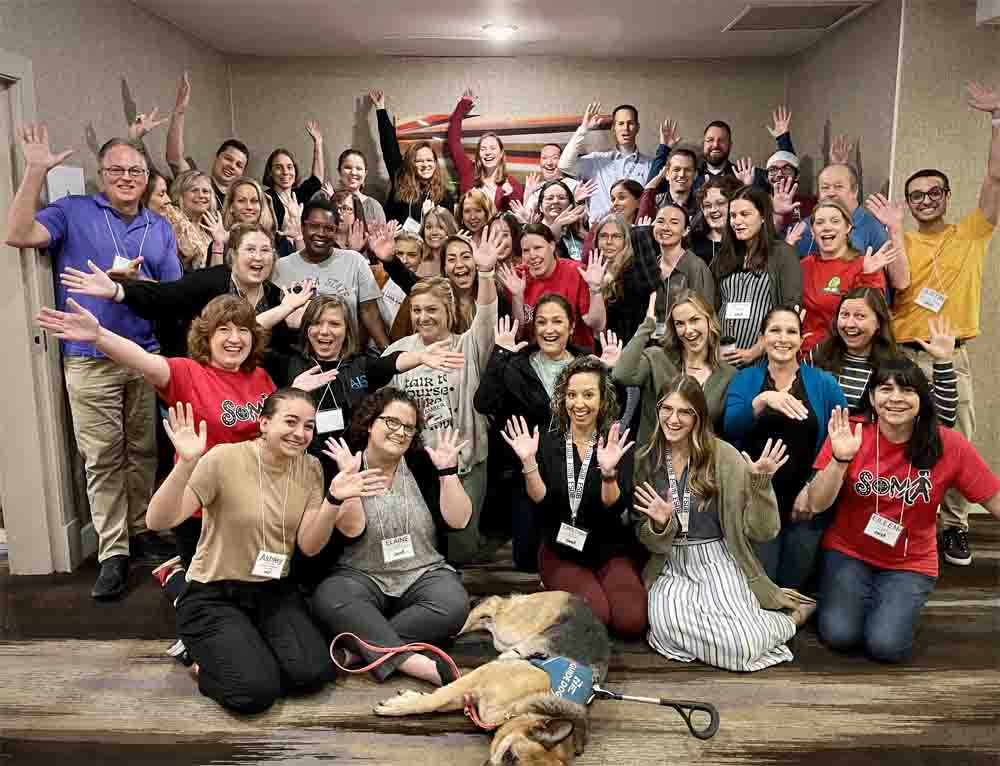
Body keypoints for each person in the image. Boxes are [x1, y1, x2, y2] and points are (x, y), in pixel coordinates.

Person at [5, 127, 183, 600]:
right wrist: (34, 171)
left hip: (143, 355)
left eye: (136, 171)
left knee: (142, 451)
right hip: (90, 359)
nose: (127, 177)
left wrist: (132, 285)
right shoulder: (74, 212)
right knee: (103, 458)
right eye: (117, 170)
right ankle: (113, 551)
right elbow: (18, 234)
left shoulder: (158, 227)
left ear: (147, 177)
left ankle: (142, 530)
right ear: (102, 174)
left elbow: (171, 294)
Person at [145, 389, 386, 712]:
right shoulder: (223, 459)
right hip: (215, 593)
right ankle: (201, 661)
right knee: (254, 693)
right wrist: (186, 464)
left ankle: (243, 650)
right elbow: (158, 520)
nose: (300, 433)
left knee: (313, 675)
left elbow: (309, 545)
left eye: (309, 426)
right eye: (291, 422)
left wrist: (333, 501)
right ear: (264, 423)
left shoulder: (310, 467)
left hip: (273, 591)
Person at [808, 361, 1000, 663]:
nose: (895, 398)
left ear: (922, 398)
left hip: (910, 560)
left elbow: (994, 498)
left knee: (886, 645)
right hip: (849, 551)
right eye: (885, 389)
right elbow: (816, 504)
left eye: (907, 390)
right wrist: (840, 460)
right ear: (872, 398)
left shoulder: (949, 444)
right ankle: (859, 597)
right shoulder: (851, 433)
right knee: (839, 635)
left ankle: (889, 599)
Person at [888, 81, 1000, 567]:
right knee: (902, 441)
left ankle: (954, 525)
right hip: (905, 355)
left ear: (947, 196)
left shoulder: (971, 233)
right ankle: (906, 520)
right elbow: (897, 282)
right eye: (917, 195)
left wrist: (997, 119)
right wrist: (893, 229)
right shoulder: (901, 240)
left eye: (934, 192)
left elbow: (995, 179)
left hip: (951, 355)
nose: (926, 200)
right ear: (909, 203)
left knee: (958, 441)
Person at [636, 375, 815, 672]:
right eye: (667, 409)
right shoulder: (645, 460)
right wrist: (659, 526)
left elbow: (763, 531)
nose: (673, 419)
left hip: (717, 559)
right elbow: (645, 538)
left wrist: (760, 485)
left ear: (698, 417)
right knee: (665, 626)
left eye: (684, 412)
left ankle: (792, 619)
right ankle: (732, 636)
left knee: (742, 646)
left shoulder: (724, 456)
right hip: (670, 563)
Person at [308, 388, 472, 685]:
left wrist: (448, 472)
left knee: (454, 604)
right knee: (330, 597)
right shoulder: (343, 465)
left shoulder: (423, 464)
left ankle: (360, 650)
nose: (400, 432)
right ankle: (415, 663)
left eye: (409, 427)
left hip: (423, 574)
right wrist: (350, 481)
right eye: (392, 422)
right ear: (370, 423)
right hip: (361, 577)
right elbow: (351, 529)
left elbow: (459, 521)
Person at [501, 356, 647, 638]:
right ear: (562, 398)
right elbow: (541, 501)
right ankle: (558, 587)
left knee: (631, 622)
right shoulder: (547, 442)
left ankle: (584, 590)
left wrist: (608, 473)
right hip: (561, 550)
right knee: (596, 616)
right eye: (572, 395)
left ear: (603, 399)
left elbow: (615, 506)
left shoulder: (614, 443)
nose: (579, 404)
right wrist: (528, 462)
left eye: (588, 395)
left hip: (608, 549)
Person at [382, 230, 501, 563]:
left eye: (432, 309)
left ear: (448, 311)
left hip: (464, 463)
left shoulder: (468, 346)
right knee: (420, 545)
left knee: (462, 549)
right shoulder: (398, 352)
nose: (423, 317)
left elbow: (487, 318)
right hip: (413, 466)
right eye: (417, 310)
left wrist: (486, 273)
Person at [475, 301, 618, 570]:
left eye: (557, 321)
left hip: (580, 467)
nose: (548, 329)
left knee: (588, 553)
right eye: (541, 322)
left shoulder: (589, 363)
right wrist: (500, 354)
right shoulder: (516, 363)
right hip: (530, 468)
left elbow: (613, 410)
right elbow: (484, 403)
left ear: (571, 327)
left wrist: (611, 372)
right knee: (527, 560)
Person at [267, 294, 465, 485]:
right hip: (299, 467)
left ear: (347, 330)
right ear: (307, 328)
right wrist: (294, 391)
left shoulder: (361, 365)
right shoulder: (286, 363)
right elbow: (252, 334)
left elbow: (392, 362)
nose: (324, 331)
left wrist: (419, 357)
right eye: (317, 323)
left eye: (334, 324)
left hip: (355, 469)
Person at [724, 306, 847, 591]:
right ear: (763, 338)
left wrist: (813, 487)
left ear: (802, 339)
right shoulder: (745, 379)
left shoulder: (824, 383)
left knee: (794, 584)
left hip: (805, 502)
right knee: (762, 585)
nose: (783, 338)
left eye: (791, 332)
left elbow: (839, 437)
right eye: (775, 330)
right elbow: (731, 428)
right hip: (757, 499)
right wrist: (762, 400)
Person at [61, 222, 303, 358]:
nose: (258, 257)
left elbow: (279, 350)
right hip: (202, 381)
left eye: (265, 250)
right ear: (232, 255)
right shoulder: (209, 281)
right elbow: (164, 298)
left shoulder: (275, 295)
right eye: (250, 249)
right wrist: (117, 290)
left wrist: (295, 325)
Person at [811, 288, 958, 426]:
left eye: (860, 316)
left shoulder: (897, 364)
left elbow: (945, 418)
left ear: (878, 323)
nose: (849, 324)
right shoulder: (820, 354)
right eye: (844, 315)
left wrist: (942, 361)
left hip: (874, 443)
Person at [615, 289, 736, 447]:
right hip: (653, 458)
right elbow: (621, 374)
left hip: (699, 459)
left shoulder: (728, 374)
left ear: (709, 321)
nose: (688, 330)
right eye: (680, 324)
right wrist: (647, 325)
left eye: (694, 320)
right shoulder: (656, 358)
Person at [270, 198, 389, 350]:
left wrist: (386, 351)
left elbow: (369, 311)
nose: (321, 233)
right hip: (296, 354)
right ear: (303, 227)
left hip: (346, 355)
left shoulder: (354, 261)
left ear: (336, 231)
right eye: (314, 226)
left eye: (328, 228)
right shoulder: (281, 266)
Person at [712, 186, 803, 367]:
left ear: (762, 217)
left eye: (745, 214)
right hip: (723, 361)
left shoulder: (782, 253)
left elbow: (789, 310)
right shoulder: (723, 257)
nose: (737, 221)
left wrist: (757, 350)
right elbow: (711, 306)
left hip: (764, 360)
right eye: (733, 216)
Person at [799, 199, 900, 354]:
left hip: (844, 355)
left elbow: (869, 317)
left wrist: (868, 276)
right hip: (806, 354)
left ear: (848, 227)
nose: (827, 227)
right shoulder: (804, 265)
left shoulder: (865, 265)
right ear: (812, 231)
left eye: (835, 221)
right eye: (820, 222)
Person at [498, 223, 606, 352]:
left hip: (576, 355)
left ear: (552, 246)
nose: (532, 255)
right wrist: (517, 297)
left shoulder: (577, 272)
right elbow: (518, 334)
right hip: (533, 356)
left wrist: (595, 290)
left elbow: (597, 325)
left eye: (538, 248)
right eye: (526, 251)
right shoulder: (515, 278)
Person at [621, 203, 716, 345]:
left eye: (674, 222)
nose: (665, 227)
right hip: (649, 347)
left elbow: (705, 319)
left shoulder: (696, 268)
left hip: (684, 348)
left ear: (686, 230)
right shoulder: (648, 267)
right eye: (660, 221)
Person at [370, 89, 456, 228]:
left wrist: (428, 216)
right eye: (419, 161)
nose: (425, 165)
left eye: (429, 160)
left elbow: (446, 231)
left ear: (435, 163)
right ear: (411, 163)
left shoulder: (444, 196)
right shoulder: (400, 180)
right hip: (396, 241)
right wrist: (380, 109)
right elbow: (389, 147)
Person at [165, 72, 249, 209]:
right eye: (228, 159)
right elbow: (174, 158)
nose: (232, 166)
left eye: (239, 165)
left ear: (242, 173)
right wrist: (179, 112)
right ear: (217, 157)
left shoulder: (242, 201)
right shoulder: (199, 184)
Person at [558, 101, 652, 221]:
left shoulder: (649, 164)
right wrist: (584, 129)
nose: (626, 128)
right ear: (613, 128)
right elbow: (564, 165)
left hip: (634, 229)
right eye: (621, 123)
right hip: (598, 229)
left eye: (630, 123)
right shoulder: (596, 160)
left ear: (637, 127)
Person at [793, 164, 893, 264]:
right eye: (825, 187)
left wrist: (895, 228)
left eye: (838, 187)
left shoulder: (873, 227)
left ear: (855, 191)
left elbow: (891, 270)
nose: (831, 193)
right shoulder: (805, 226)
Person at [447, 88, 524, 212]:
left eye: (493, 148)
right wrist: (462, 106)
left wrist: (510, 194)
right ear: (478, 154)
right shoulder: (468, 170)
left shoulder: (511, 183)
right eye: (483, 149)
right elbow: (453, 142)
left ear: (501, 154)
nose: (488, 152)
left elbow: (518, 214)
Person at [261, 122, 325, 256]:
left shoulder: (299, 194)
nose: (285, 172)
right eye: (279, 167)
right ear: (270, 172)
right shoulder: (265, 198)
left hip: (302, 254)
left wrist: (318, 144)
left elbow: (317, 179)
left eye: (289, 167)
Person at [161, 169, 216, 271]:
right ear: (180, 194)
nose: (201, 195)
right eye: (194, 190)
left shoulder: (210, 230)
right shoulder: (172, 218)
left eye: (205, 191)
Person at [580, 179, 644, 265]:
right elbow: (586, 259)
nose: (615, 203)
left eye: (622, 198)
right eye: (613, 199)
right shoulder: (601, 226)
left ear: (638, 202)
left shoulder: (644, 229)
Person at [690, 175, 742, 267]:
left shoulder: (745, 242)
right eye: (707, 205)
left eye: (720, 203)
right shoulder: (693, 243)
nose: (713, 210)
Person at [639, 147, 699, 222]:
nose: (682, 174)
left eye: (688, 170)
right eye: (676, 169)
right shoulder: (653, 204)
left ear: (695, 175)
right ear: (667, 174)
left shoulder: (702, 205)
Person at [536, 179, 586, 261]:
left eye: (562, 198)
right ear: (540, 207)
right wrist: (556, 227)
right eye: (549, 198)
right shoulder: (533, 233)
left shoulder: (578, 232)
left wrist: (582, 231)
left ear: (570, 204)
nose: (555, 201)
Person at [337, 148, 387, 226]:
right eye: (348, 167)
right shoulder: (329, 201)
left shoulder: (374, 206)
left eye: (359, 168)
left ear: (365, 173)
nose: (353, 172)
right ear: (339, 171)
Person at [420, 205, 458, 271]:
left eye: (440, 227)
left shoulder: (459, 262)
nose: (434, 232)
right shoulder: (416, 261)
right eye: (429, 227)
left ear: (450, 230)